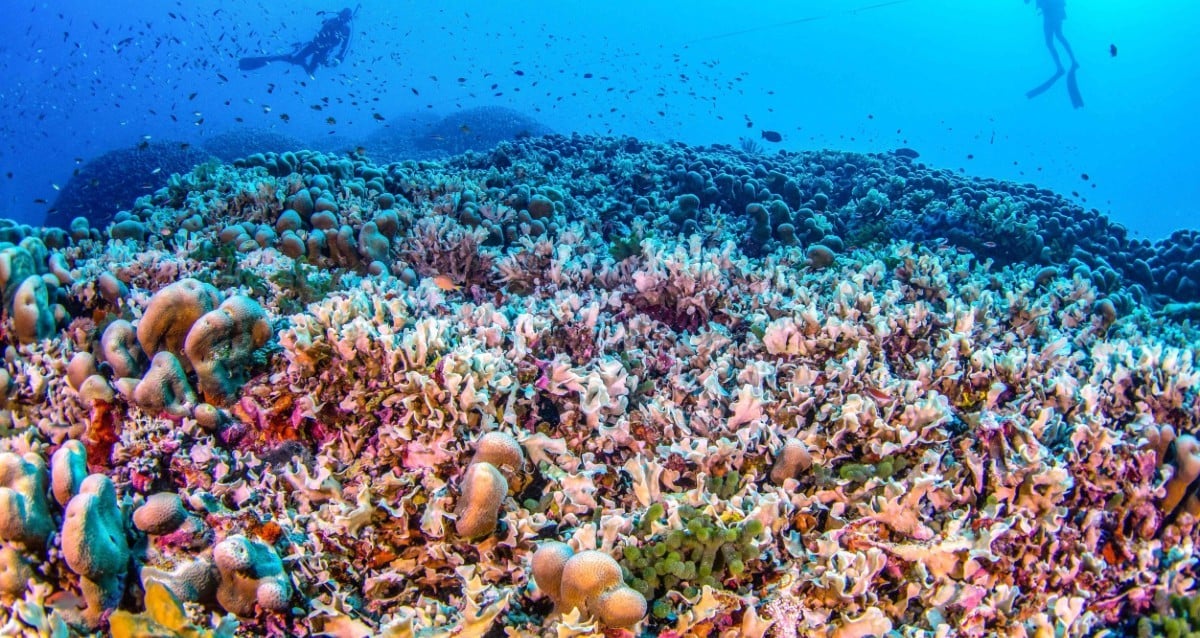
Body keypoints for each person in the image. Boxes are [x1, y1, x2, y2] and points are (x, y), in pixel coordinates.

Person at [239, 7, 356, 75]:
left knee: (310, 72)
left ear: (348, 19)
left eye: (345, 18)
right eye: (343, 16)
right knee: (296, 61)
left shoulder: (346, 30)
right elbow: (320, 35)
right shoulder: (331, 21)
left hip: (324, 51)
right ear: (340, 15)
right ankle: (280, 58)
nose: (343, 20)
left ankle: (299, 61)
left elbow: (344, 46)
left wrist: (340, 57)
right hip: (314, 45)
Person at [1024, 0, 1083, 108]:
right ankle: (1071, 62)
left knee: (1052, 40)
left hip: (1052, 11)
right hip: (1054, 11)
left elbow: (1027, 1)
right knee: (1058, 36)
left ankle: (1063, 66)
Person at [1026, 0, 1077, 73]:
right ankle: (1073, 61)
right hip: (1058, 12)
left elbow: (1026, 1)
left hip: (1050, 14)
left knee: (1049, 42)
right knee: (1059, 36)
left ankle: (1060, 67)